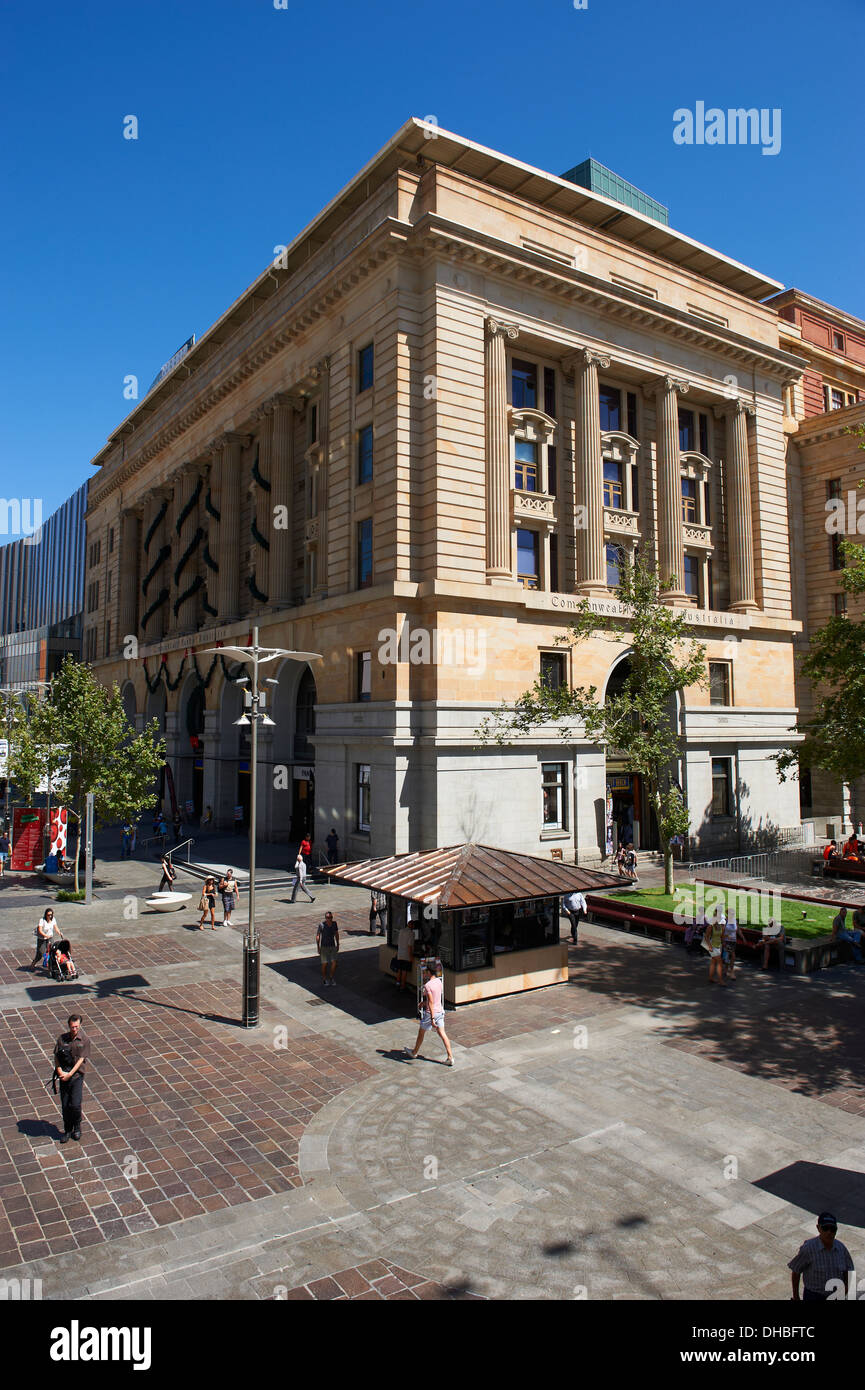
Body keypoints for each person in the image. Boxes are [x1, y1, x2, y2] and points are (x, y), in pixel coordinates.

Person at [789, 1212, 855, 1301]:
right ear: (818, 1228)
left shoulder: (841, 1249)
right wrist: (796, 1297)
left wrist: (846, 1289)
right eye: (825, 1228)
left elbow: (849, 1270)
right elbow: (796, 1271)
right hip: (814, 1296)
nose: (829, 1232)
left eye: (832, 1229)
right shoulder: (809, 1248)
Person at [405, 964, 454, 1066]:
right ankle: (450, 1057)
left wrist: (431, 1018)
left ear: (428, 972)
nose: (424, 974)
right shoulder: (439, 982)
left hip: (430, 1013)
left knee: (421, 1032)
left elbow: (431, 1002)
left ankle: (414, 1052)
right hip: (440, 1011)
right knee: (442, 1034)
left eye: (425, 972)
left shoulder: (428, 986)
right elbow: (436, 998)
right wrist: (424, 1003)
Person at [53, 1013, 91, 1144]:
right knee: (65, 1105)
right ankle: (67, 1130)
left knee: (75, 1104)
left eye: (76, 1026)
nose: (74, 1029)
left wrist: (70, 1074)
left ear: (80, 1025)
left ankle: (77, 1127)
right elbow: (56, 1057)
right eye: (72, 1026)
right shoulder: (62, 1039)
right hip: (64, 1076)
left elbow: (81, 1060)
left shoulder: (84, 1041)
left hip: (76, 1076)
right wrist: (60, 1071)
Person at [316, 911, 339, 986]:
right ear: (325, 918)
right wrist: (318, 947)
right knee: (324, 964)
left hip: (332, 945)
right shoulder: (321, 925)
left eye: (331, 917)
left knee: (334, 962)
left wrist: (338, 944)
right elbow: (318, 935)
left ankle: (331, 977)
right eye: (328, 918)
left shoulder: (334, 924)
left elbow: (336, 934)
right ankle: (324, 978)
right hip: (324, 947)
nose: (329, 919)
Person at [706, 910, 726, 986]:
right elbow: (706, 937)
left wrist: (724, 943)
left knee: (713, 962)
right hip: (712, 946)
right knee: (720, 962)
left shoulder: (721, 926)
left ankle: (710, 977)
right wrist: (710, 946)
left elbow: (722, 936)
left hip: (718, 946)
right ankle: (720, 980)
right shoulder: (711, 926)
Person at [396, 918, 414, 991]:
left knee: (399, 969)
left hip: (400, 953)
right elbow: (409, 946)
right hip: (406, 955)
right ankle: (403, 986)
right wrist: (411, 957)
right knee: (404, 971)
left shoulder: (401, 931)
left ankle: (397, 983)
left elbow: (398, 942)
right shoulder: (411, 933)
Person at [722, 910, 740, 980]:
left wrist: (743, 938)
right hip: (727, 941)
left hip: (733, 941)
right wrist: (723, 941)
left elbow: (738, 930)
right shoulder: (725, 921)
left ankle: (726, 969)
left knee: (728, 955)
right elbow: (722, 931)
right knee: (732, 956)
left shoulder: (735, 921)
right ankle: (731, 972)